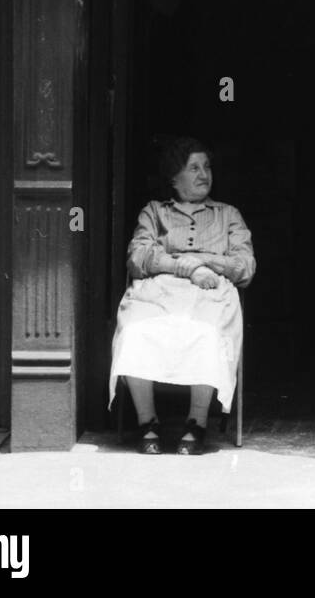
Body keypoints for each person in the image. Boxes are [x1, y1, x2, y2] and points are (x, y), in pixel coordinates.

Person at [108, 138, 256, 455]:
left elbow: (244, 268)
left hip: (210, 293)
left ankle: (196, 424)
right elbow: (138, 258)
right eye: (194, 167)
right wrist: (185, 269)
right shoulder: (154, 212)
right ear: (174, 178)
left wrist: (205, 263)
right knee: (136, 332)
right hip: (157, 292)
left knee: (206, 333)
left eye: (207, 166)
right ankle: (147, 422)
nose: (204, 174)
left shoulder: (228, 214)